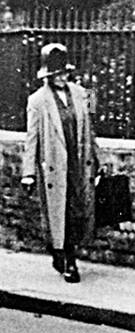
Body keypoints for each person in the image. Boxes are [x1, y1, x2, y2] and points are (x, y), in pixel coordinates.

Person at [21, 42, 98, 284]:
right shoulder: (38, 101)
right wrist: (28, 173)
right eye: (57, 74)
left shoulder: (80, 93)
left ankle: (69, 255)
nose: (63, 77)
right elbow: (31, 137)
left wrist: (97, 160)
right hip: (54, 166)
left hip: (78, 163)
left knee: (77, 211)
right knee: (59, 212)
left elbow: (89, 131)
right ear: (48, 76)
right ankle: (64, 258)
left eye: (65, 72)